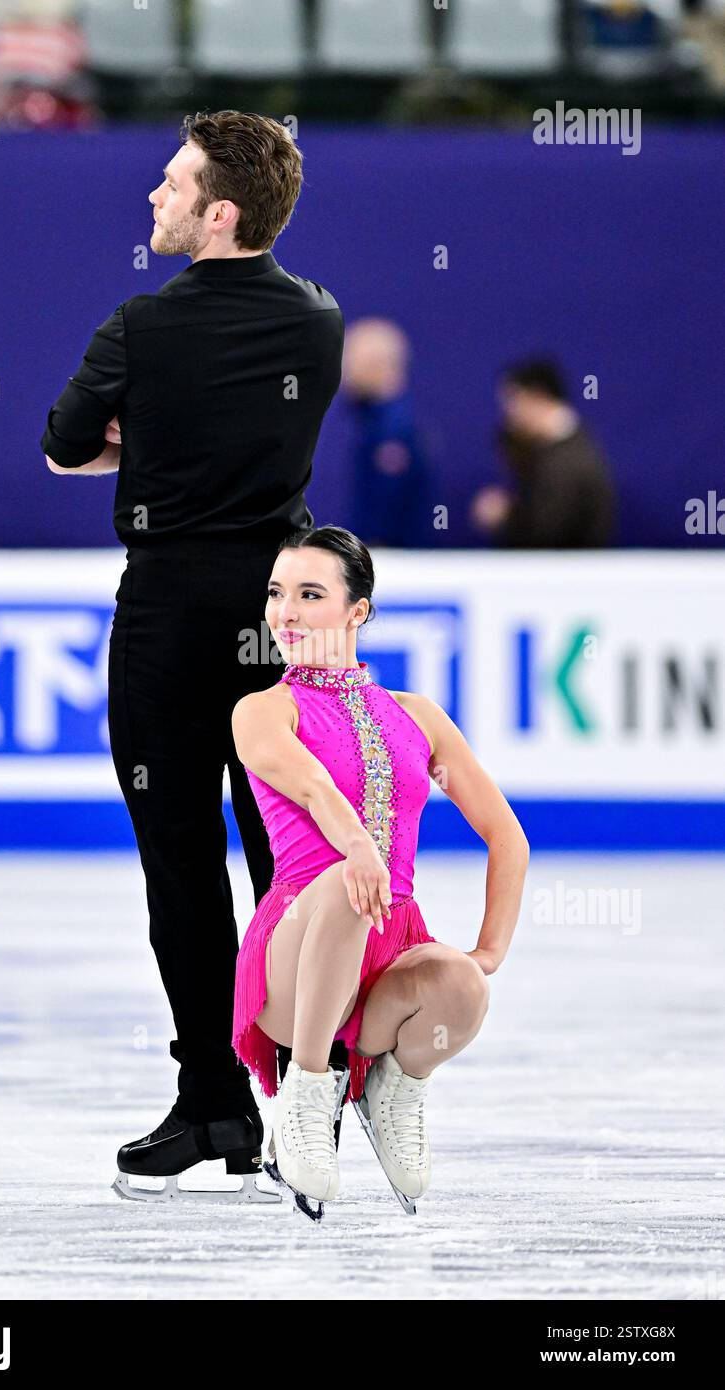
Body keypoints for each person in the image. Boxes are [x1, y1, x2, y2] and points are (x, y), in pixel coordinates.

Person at [40, 111, 344, 1190]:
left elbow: (65, 443)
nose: (154, 197)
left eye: (172, 184)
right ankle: (313, 1085)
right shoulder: (317, 321)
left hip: (167, 614)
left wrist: (144, 439)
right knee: (291, 858)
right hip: (276, 616)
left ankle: (214, 1102)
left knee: (182, 859)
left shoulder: (140, 327)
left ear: (218, 212)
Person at [229, 526, 529, 1208]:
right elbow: (312, 787)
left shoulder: (416, 717)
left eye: (310, 594)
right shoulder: (262, 711)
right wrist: (358, 846)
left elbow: (507, 837)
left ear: (357, 610)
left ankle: (397, 1085)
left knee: (463, 986)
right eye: (278, 594)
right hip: (295, 958)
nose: (287, 612)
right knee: (343, 883)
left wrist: (487, 951)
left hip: (386, 962)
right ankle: (306, 1093)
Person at [470, 358, 617, 548]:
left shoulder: (569, 463)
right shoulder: (558, 452)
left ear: (538, 396)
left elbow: (546, 534)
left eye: (513, 402)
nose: (509, 414)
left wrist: (505, 516)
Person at [340, 317, 434, 548]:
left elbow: (387, 506)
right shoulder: (372, 422)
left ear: (375, 365)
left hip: (390, 562)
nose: (342, 371)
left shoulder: (393, 429)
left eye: (348, 360)